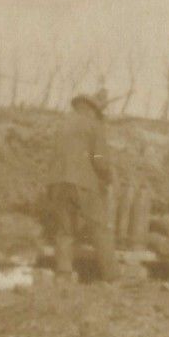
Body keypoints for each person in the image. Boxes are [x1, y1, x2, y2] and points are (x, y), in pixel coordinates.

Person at [46, 89, 116, 283]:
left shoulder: (61, 125)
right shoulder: (93, 126)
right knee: (100, 228)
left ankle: (63, 274)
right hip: (83, 183)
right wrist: (108, 179)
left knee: (64, 230)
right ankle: (112, 277)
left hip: (57, 183)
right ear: (92, 109)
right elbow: (100, 161)